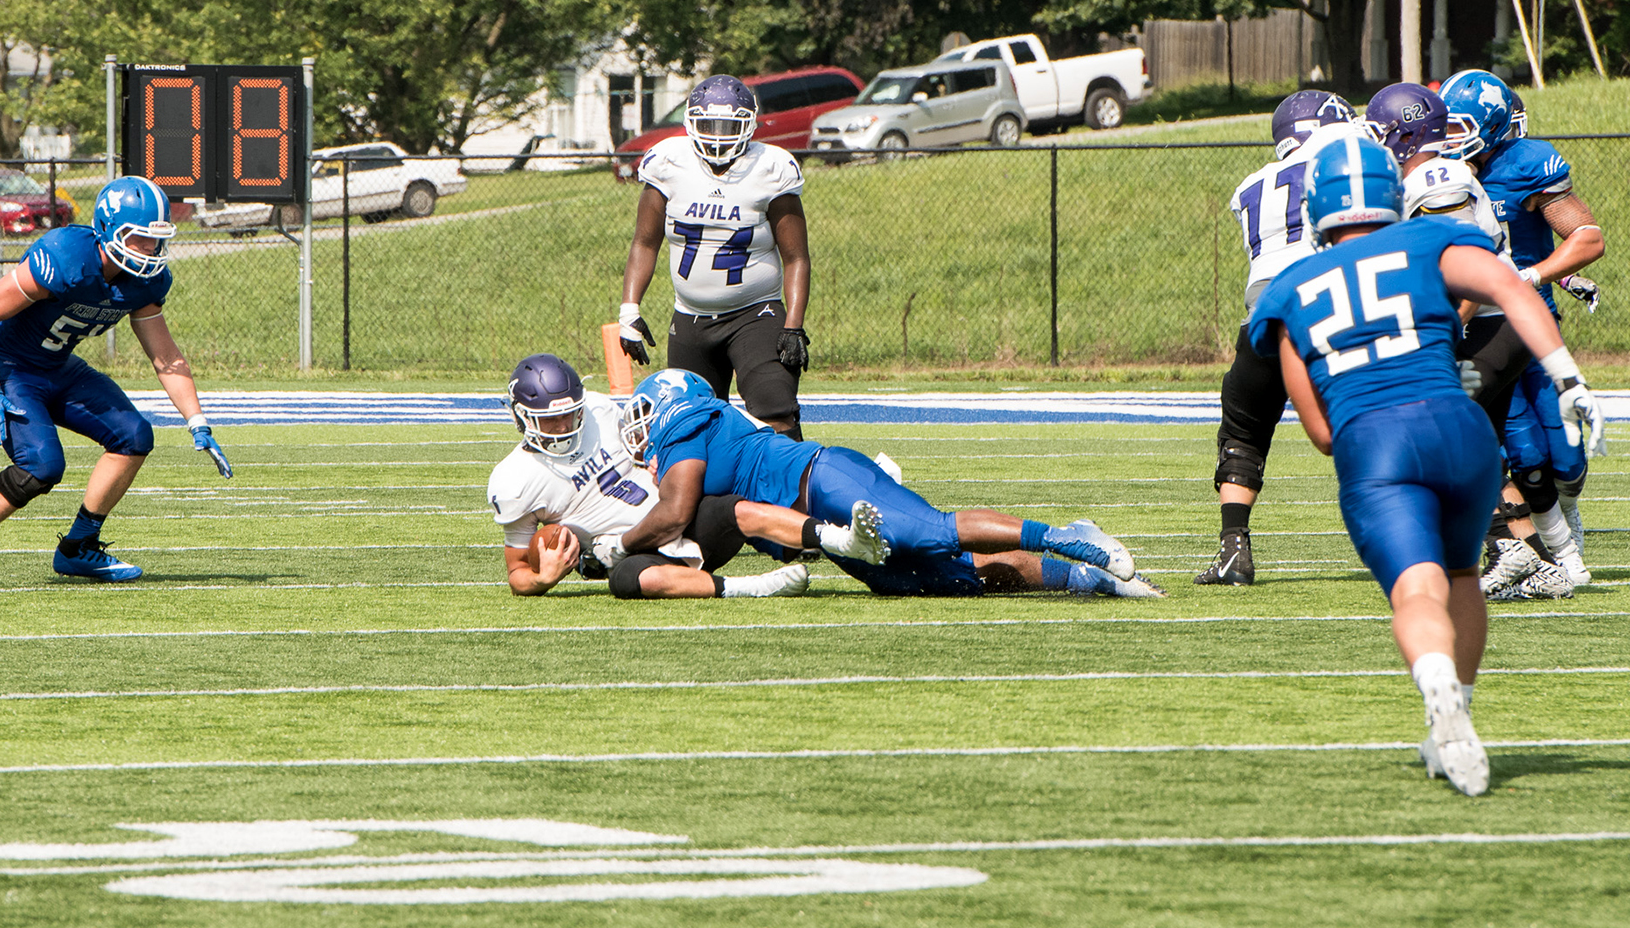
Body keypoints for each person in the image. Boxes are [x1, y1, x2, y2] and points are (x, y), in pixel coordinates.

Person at [1244, 130, 1606, 795]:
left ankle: (1437, 691)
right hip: (1461, 430)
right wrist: (1568, 379)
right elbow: (1513, 289)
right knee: (1465, 573)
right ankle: (1457, 712)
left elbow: (1321, 433)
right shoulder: (1429, 240)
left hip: (1374, 443)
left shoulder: (1289, 287)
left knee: (1417, 589)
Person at [612, 370, 1162, 599]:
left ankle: (1070, 538)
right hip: (824, 523)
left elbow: (678, 512)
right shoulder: (696, 435)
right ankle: (1089, 580)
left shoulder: (686, 429)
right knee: (945, 580)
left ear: (670, 406)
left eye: (644, 410)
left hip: (822, 479)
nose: (640, 423)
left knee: (934, 533)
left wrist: (621, 546)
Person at [0, 176, 232, 588]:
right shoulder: (65, 256)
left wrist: (196, 419)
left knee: (134, 435)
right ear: (110, 230)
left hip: (56, 365)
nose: (151, 250)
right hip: (8, 366)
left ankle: (78, 548)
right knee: (42, 466)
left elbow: (165, 356)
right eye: (141, 238)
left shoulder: (144, 281)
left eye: (156, 240)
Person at [1364, 82, 1577, 603]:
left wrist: (1442, 330)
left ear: (1405, 133)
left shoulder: (1437, 178)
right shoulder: (1430, 176)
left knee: (1437, 430)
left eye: (1379, 131)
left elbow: (1465, 264)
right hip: (1498, 323)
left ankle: (1504, 548)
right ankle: (1535, 561)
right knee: (1478, 441)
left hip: (1490, 324)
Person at [489, 354, 889, 599]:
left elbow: (646, 435)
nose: (563, 426)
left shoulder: (599, 411)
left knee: (730, 507)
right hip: (637, 551)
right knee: (627, 581)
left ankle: (840, 538)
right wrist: (544, 578)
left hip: (682, 515)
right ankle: (754, 587)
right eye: (550, 419)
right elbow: (517, 573)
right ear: (521, 417)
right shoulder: (515, 479)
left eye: (568, 414)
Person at [1442, 70, 1607, 591]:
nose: (1450, 138)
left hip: (1530, 321)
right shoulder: (1438, 177)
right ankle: (1557, 558)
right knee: (1522, 451)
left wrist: (1543, 273)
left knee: (1565, 459)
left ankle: (1557, 530)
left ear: (1489, 124)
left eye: (1460, 126)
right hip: (1480, 327)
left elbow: (1586, 236)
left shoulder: (1526, 163)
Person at [1196, 89, 1360, 586]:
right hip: (1329, 301)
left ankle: (1233, 551)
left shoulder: (1251, 183)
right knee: (1392, 410)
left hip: (1265, 311)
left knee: (1244, 433)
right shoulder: (1350, 162)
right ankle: (1488, 536)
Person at [617, 75, 812, 441]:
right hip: (690, 319)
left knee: (775, 408)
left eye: (728, 126)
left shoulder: (770, 169)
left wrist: (793, 325)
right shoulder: (669, 163)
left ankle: (791, 498)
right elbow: (645, 243)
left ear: (749, 126)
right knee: (689, 426)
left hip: (755, 314)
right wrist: (630, 310)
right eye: (709, 125)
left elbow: (796, 257)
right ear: (691, 123)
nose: (718, 136)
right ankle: (710, 501)